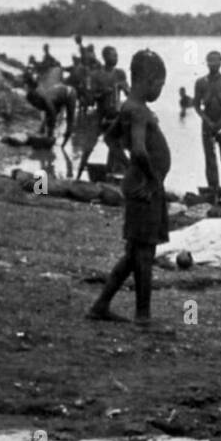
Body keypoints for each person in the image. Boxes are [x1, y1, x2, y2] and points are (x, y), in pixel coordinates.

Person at [87, 50, 171, 325]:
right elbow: (139, 150)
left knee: (134, 252)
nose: (160, 90)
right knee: (144, 252)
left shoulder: (129, 107)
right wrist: (150, 177)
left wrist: (130, 169)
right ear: (148, 80)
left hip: (138, 183)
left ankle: (101, 305)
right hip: (145, 188)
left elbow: (110, 139)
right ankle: (143, 315)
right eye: (160, 85)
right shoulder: (138, 111)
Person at [76, 46, 128, 178]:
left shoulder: (120, 74)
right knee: (88, 146)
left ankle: (115, 173)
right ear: (105, 58)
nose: (116, 58)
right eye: (112, 55)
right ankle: (78, 175)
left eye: (116, 55)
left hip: (115, 115)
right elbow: (91, 98)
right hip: (100, 114)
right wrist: (102, 93)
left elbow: (129, 93)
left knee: (115, 146)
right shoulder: (96, 75)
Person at [194, 50, 221, 189]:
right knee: (210, 159)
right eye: (210, 61)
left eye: (216, 61)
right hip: (207, 125)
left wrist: (220, 122)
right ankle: (214, 189)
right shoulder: (200, 82)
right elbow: (196, 105)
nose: (213, 64)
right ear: (206, 63)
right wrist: (208, 121)